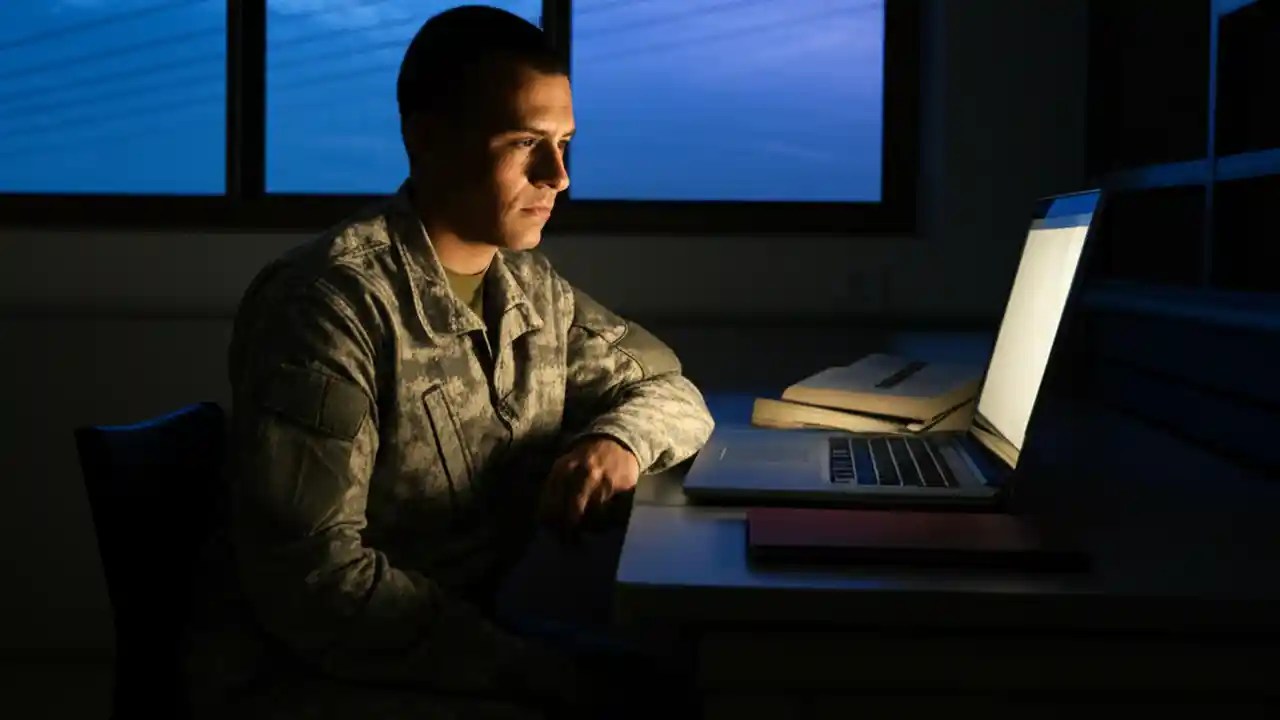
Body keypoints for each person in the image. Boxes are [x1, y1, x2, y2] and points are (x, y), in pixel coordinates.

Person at [181, 5, 714, 719]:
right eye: (526, 142)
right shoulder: (331, 304)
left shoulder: (527, 290)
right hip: (314, 674)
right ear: (428, 138)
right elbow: (314, 584)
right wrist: (525, 668)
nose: (558, 176)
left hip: (463, 643)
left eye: (563, 143)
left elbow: (670, 389)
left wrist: (617, 442)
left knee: (684, 679)